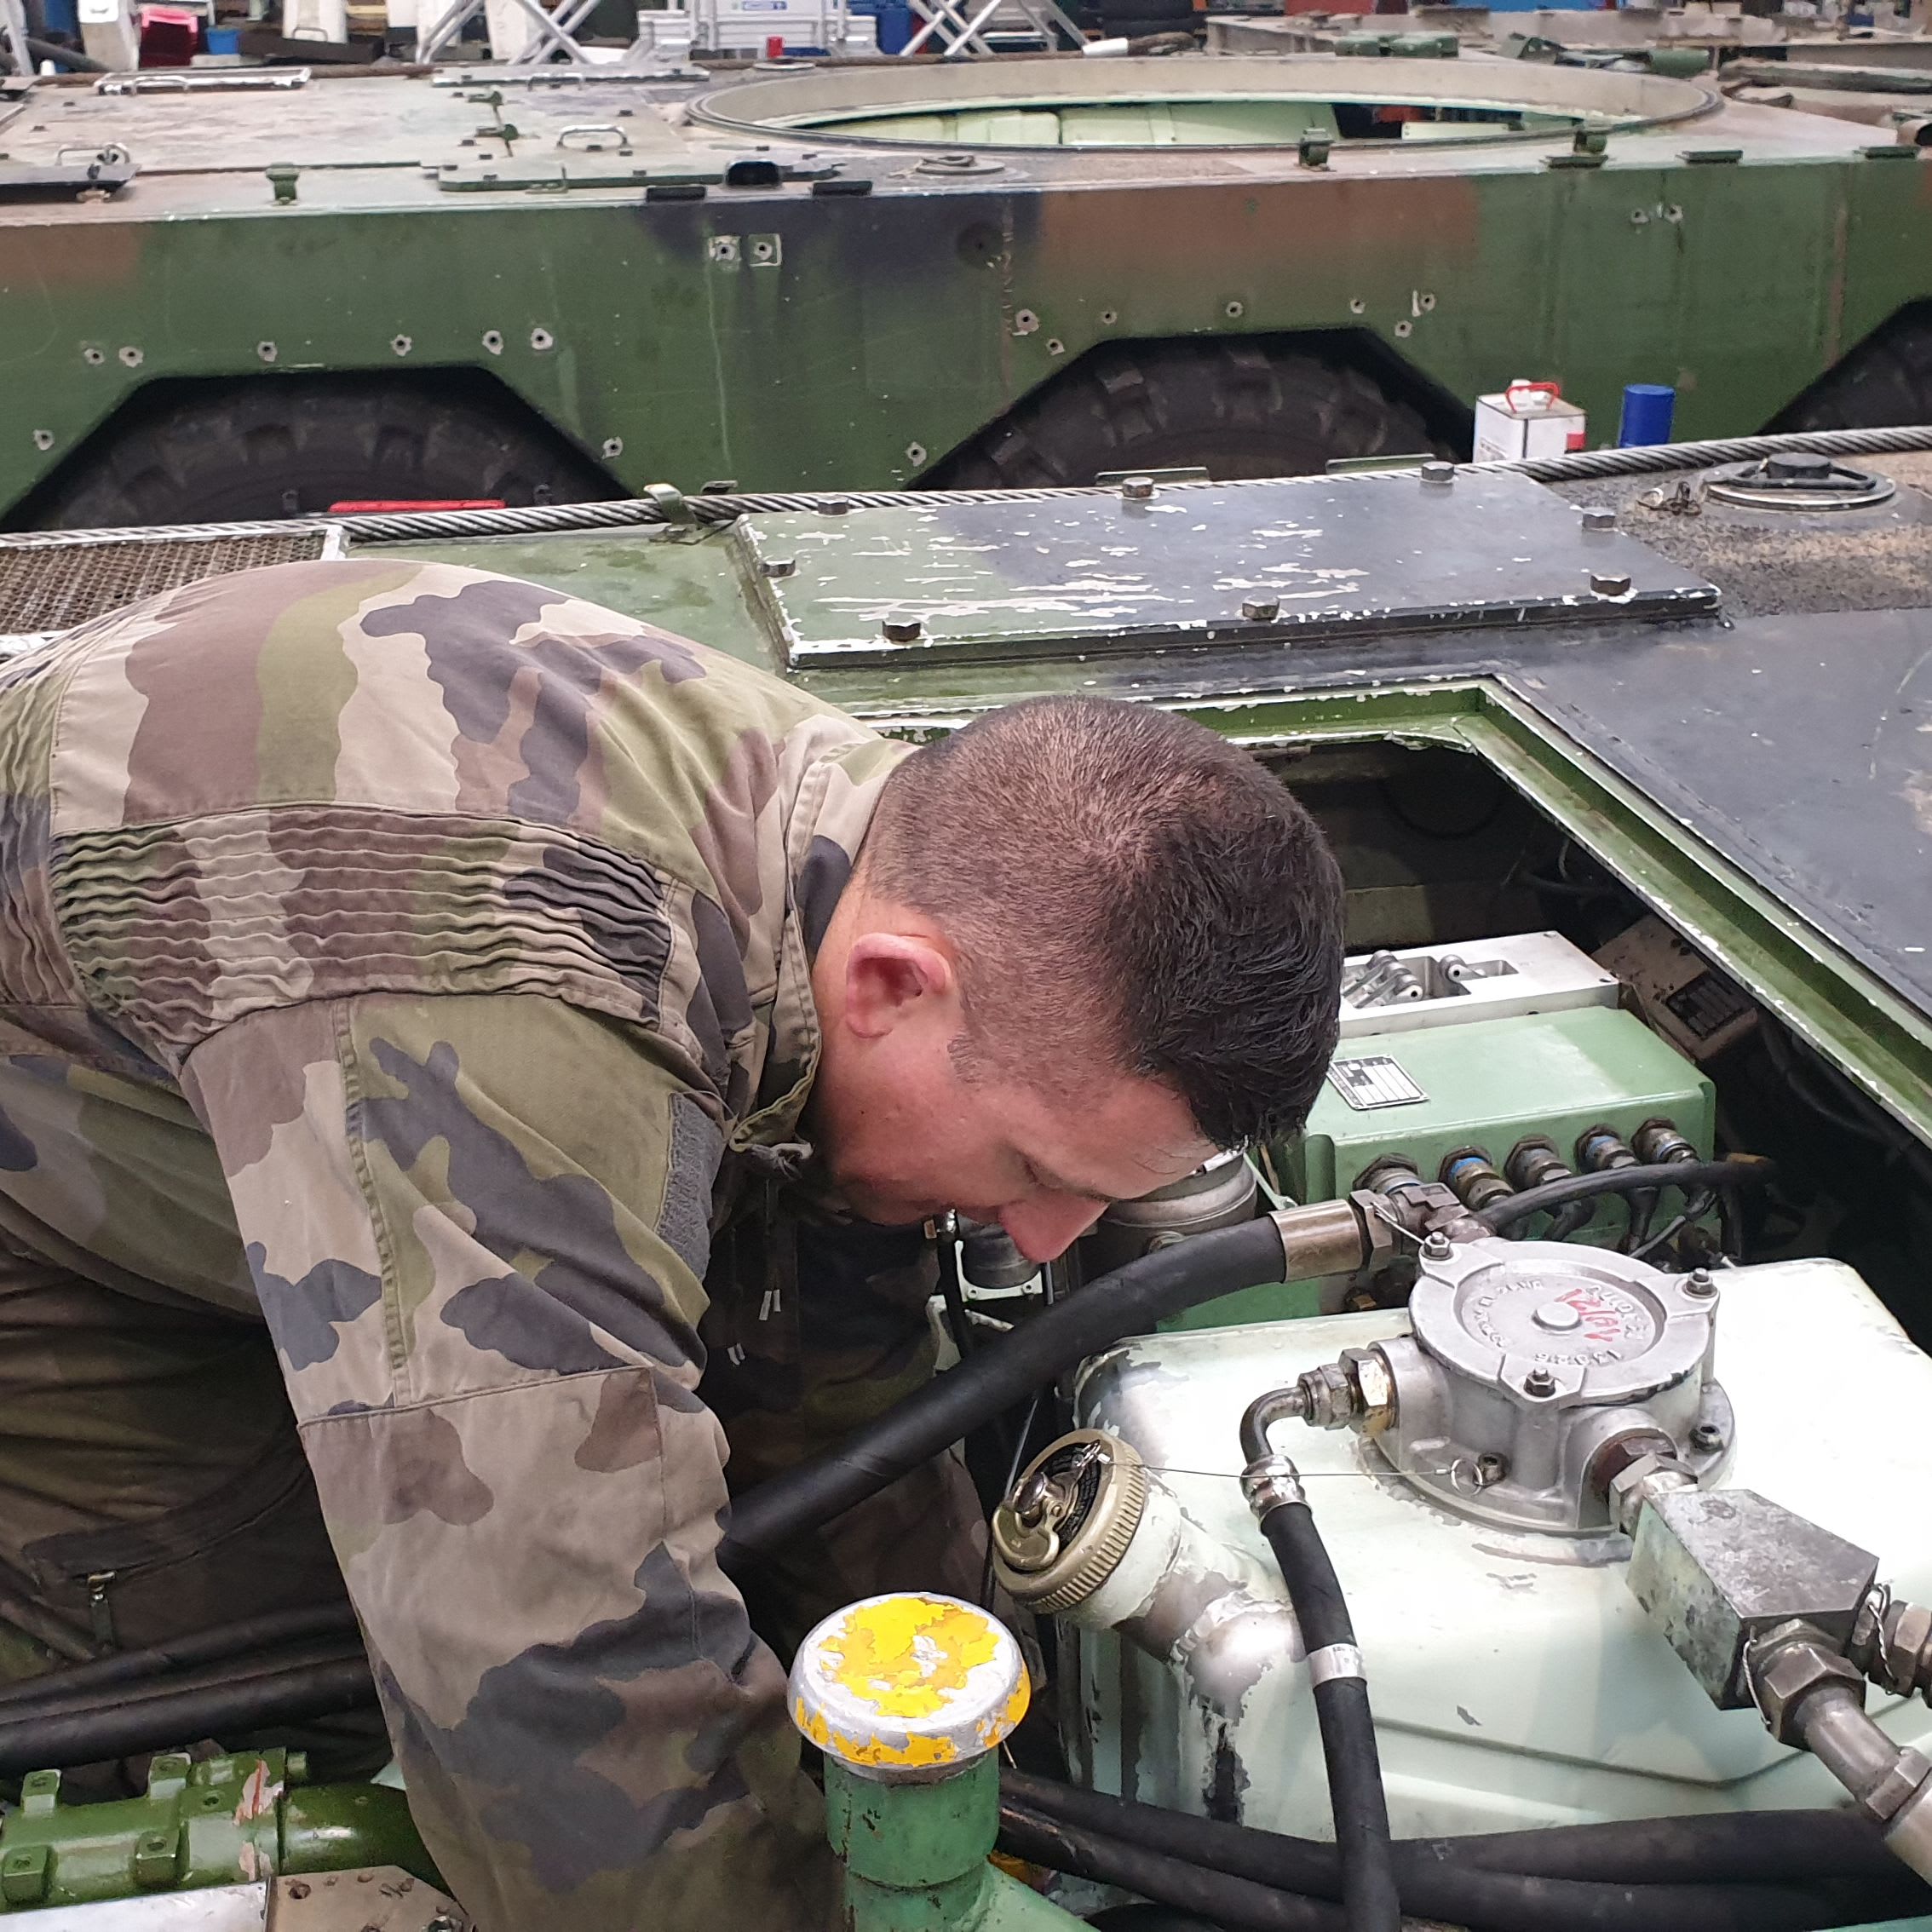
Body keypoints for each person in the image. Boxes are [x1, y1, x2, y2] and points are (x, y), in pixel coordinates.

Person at [0, 559, 1344, 1928]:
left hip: (310, 1003)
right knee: (290, 1695)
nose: (1044, 1233)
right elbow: (546, 1651)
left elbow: (831, 1379)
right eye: (1034, 1169)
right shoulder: (513, 992)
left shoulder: (897, 869)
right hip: (64, 1187)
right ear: (894, 986)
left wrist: (997, 1760)